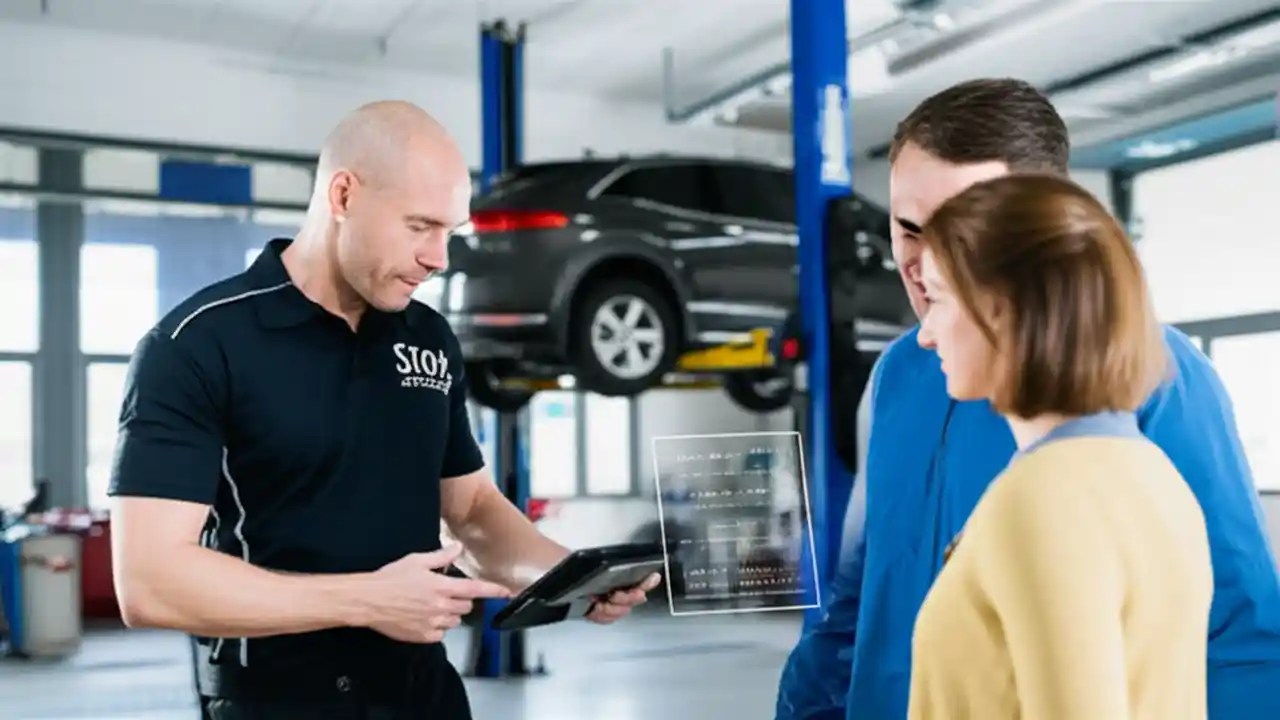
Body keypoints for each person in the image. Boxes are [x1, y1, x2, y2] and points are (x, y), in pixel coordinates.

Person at [108, 100, 660, 720]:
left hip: (423, 695)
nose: (439, 258)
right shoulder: (197, 344)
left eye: (449, 232)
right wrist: (368, 601)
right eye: (420, 226)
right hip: (278, 703)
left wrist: (566, 576)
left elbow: (471, 510)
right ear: (343, 195)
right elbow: (150, 582)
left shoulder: (428, 338)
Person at [774, 78, 1280, 720]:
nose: (924, 267)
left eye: (962, 235)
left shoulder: (1159, 374)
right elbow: (854, 602)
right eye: (908, 229)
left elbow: (1240, 640)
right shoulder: (898, 373)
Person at [906, 172, 1213, 718]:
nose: (926, 333)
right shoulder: (1155, 475)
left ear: (1002, 307)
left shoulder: (1040, 497)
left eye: (939, 298)